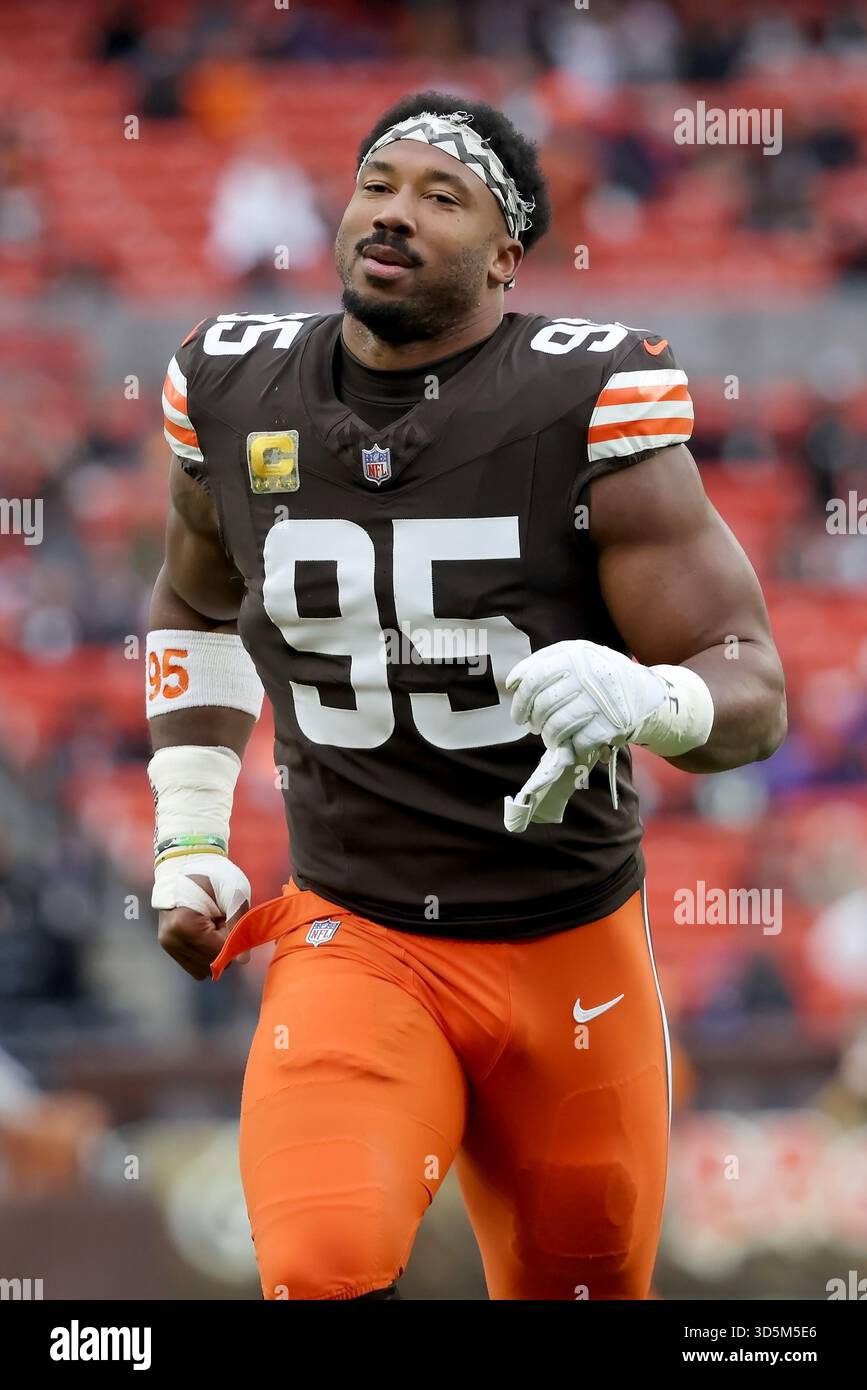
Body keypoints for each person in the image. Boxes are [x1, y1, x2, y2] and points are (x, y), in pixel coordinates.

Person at [147, 91, 786, 1300]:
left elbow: (749, 685)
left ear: (507, 255)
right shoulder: (233, 390)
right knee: (321, 1264)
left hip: (570, 943)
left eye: (443, 198)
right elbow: (192, 605)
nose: (394, 214)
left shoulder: (586, 396)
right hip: (358, 933)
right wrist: (188, 829)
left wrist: (652, 698)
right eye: (377, 183)